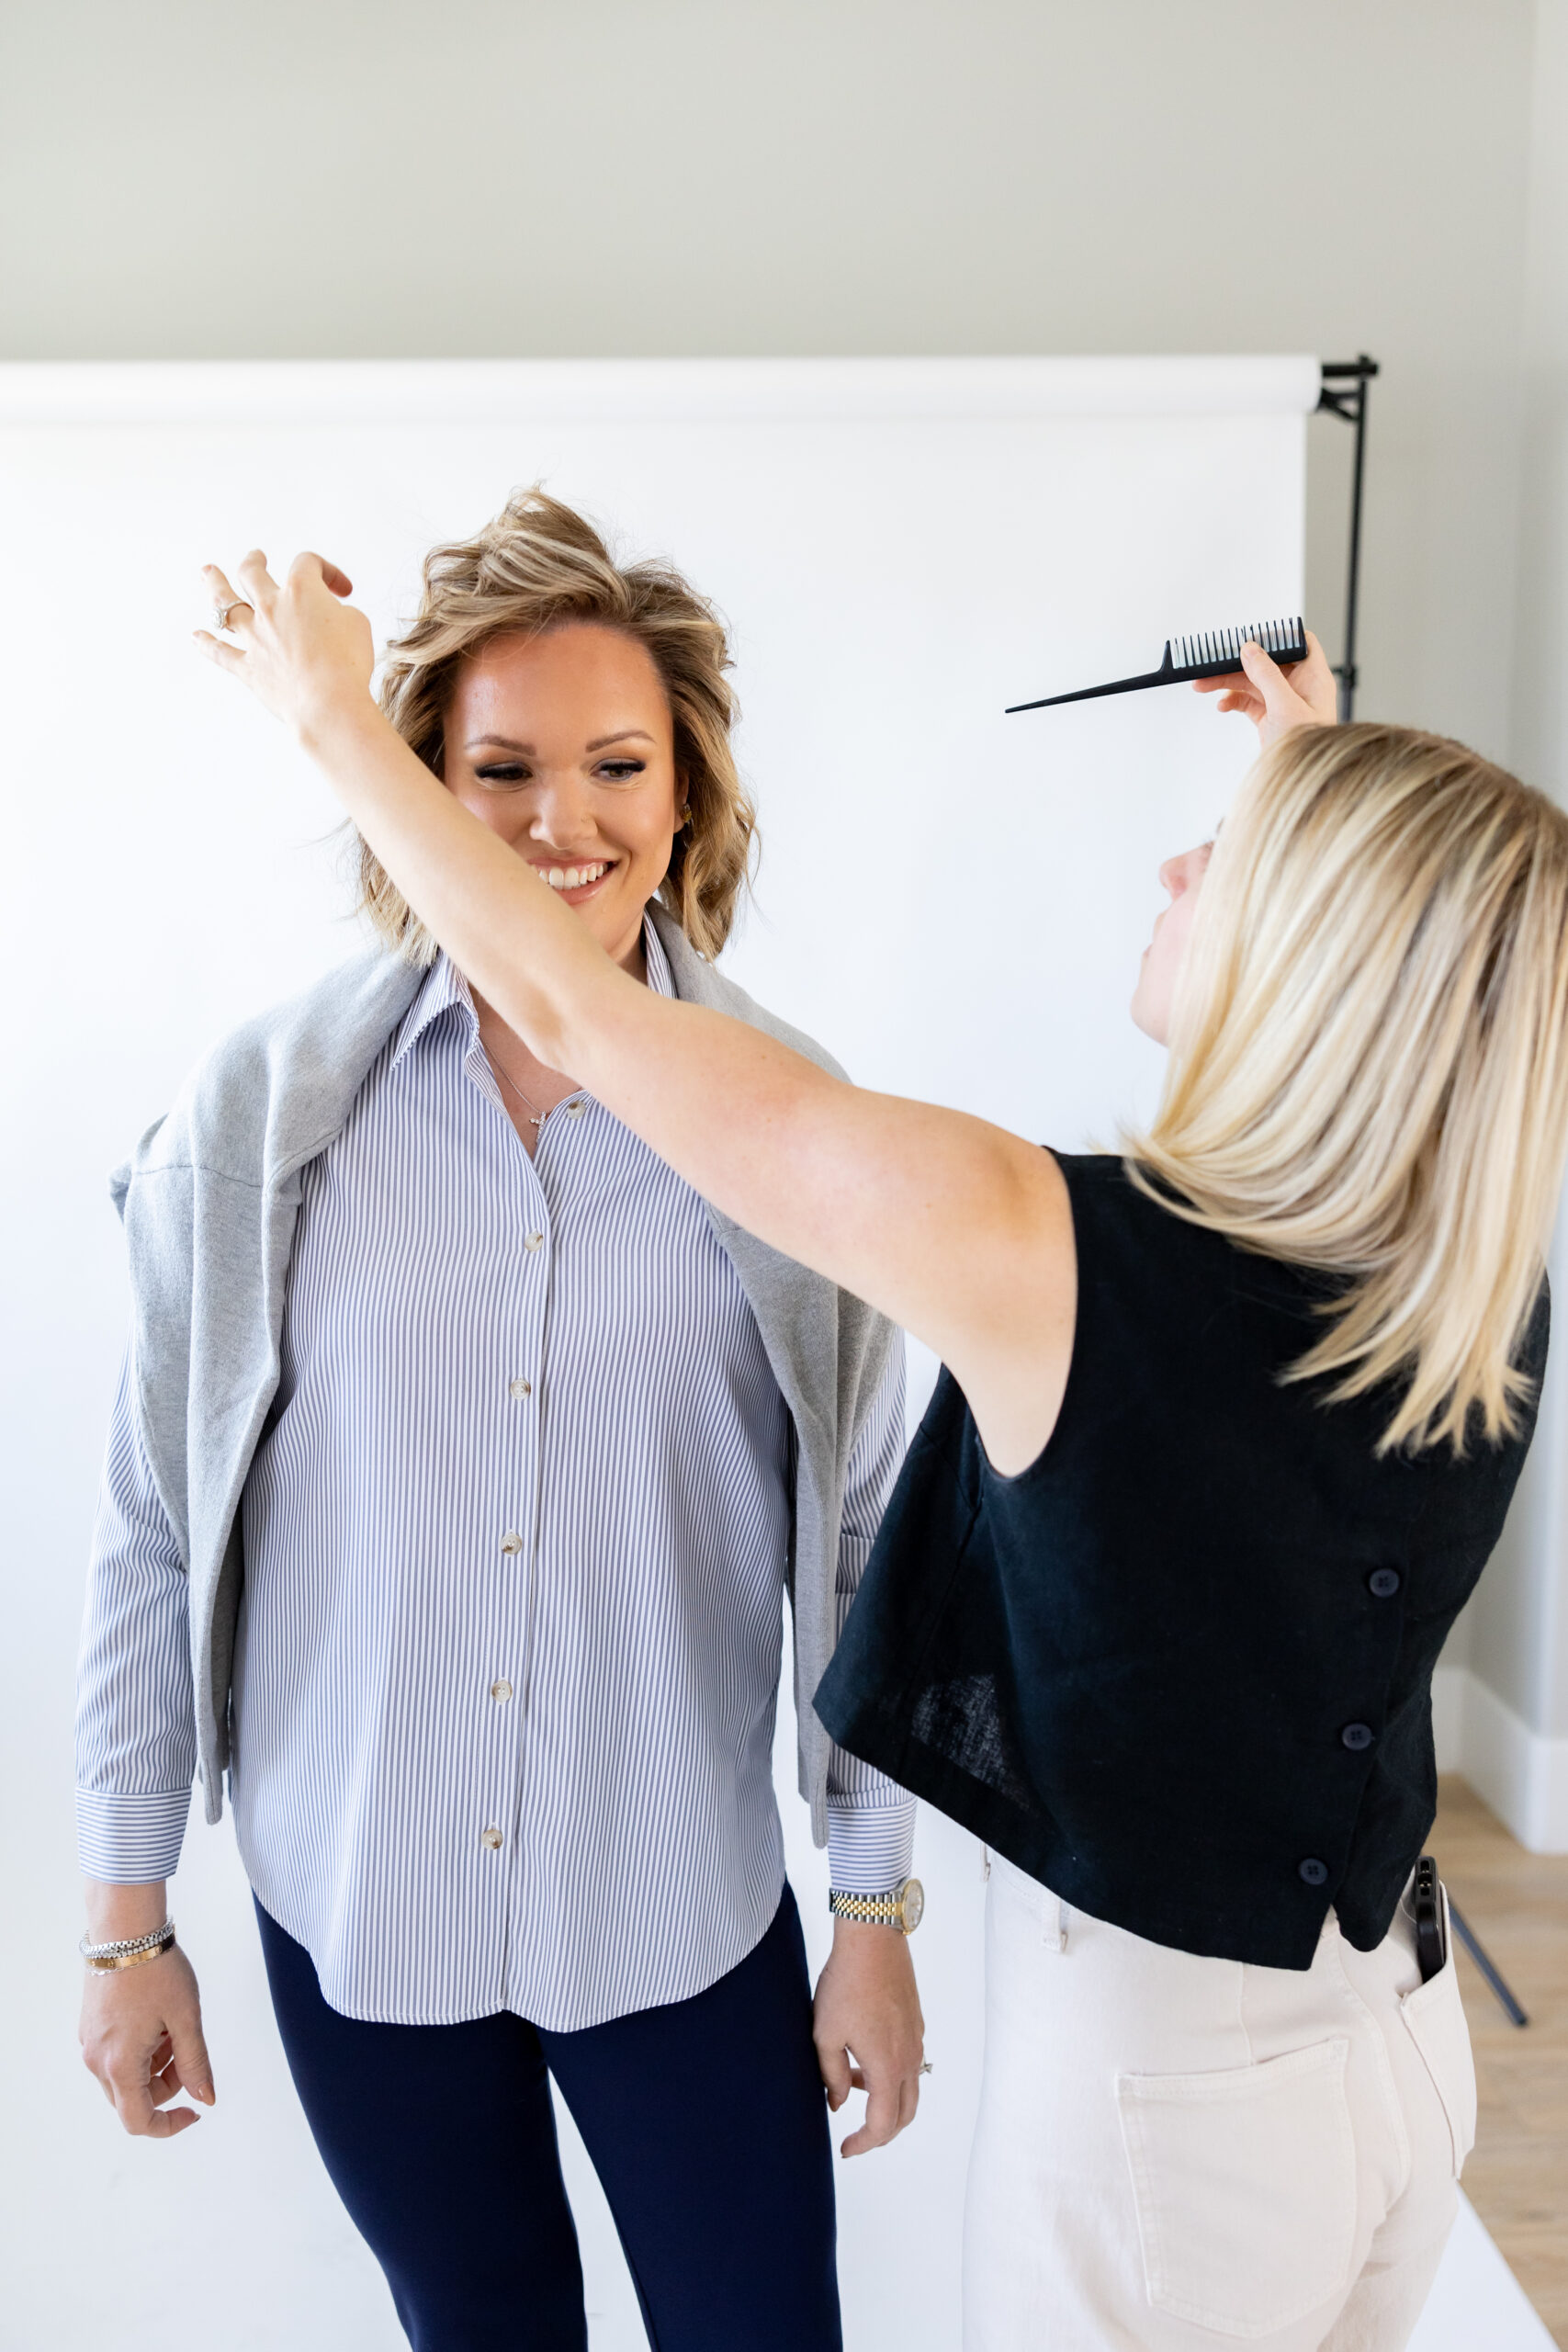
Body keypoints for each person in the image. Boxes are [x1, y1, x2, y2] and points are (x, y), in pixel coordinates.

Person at [194, 545, 1568, 2352]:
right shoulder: (1461, 1263)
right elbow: (1429, 982)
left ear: (1308, 956)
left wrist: (331, 720)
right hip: (1390, 2060)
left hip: (1174, 2131)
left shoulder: (1036, 1252)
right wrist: (1301, 761)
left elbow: (582, 1018)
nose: (1175, 862)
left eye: (1227, 861)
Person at [75, 492, 929, 2352]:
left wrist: (871, 1905)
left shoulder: (789, 1120)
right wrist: (126, 1915)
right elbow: (155, 1520)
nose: (564, 819)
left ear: (683, 795)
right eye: (501, 767)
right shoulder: (263, 1113)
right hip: (359, 1901)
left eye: (617, 763)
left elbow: (868, 1538)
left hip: (679, 1909)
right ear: (412, 788)